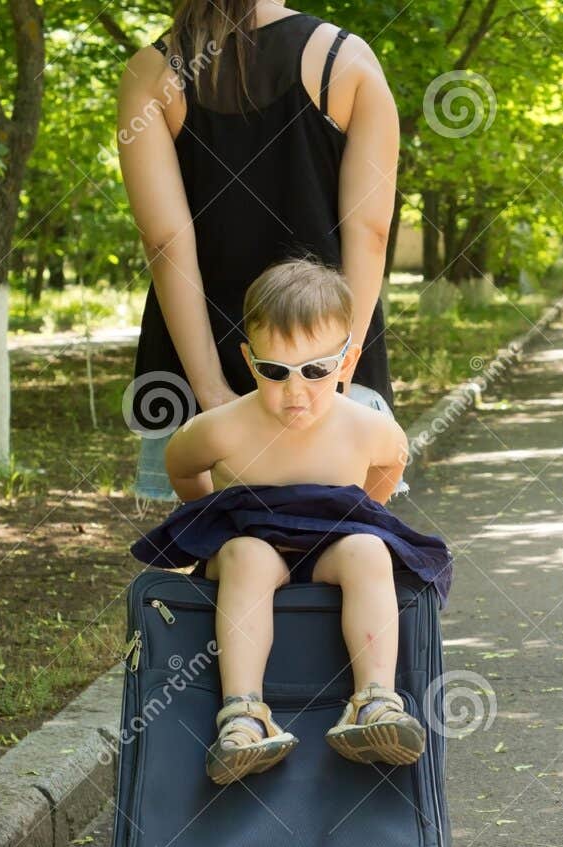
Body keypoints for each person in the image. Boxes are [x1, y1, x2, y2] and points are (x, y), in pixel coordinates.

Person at [130, 258, 452, 784]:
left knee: (370, 549)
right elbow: (182, 469)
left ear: (347, 364)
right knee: (247, 555)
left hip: (331, 544)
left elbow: (386, 474)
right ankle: (243, 716)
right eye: (275, 371)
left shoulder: (369, 429)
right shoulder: (220, 430)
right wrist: (216, 516)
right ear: (249, 360)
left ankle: (375, 703)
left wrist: (359, 514)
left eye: (317, 370)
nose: (295, 390)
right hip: (251, 546)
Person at [116, 0, 400, 500]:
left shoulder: (151, 71)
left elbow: (165, 243)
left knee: (217, 556)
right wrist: (333, 374)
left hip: (195, 358)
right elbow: (370, 230)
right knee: (340, 543)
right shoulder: (346, 58)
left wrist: (212, 394)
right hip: (327, 353)